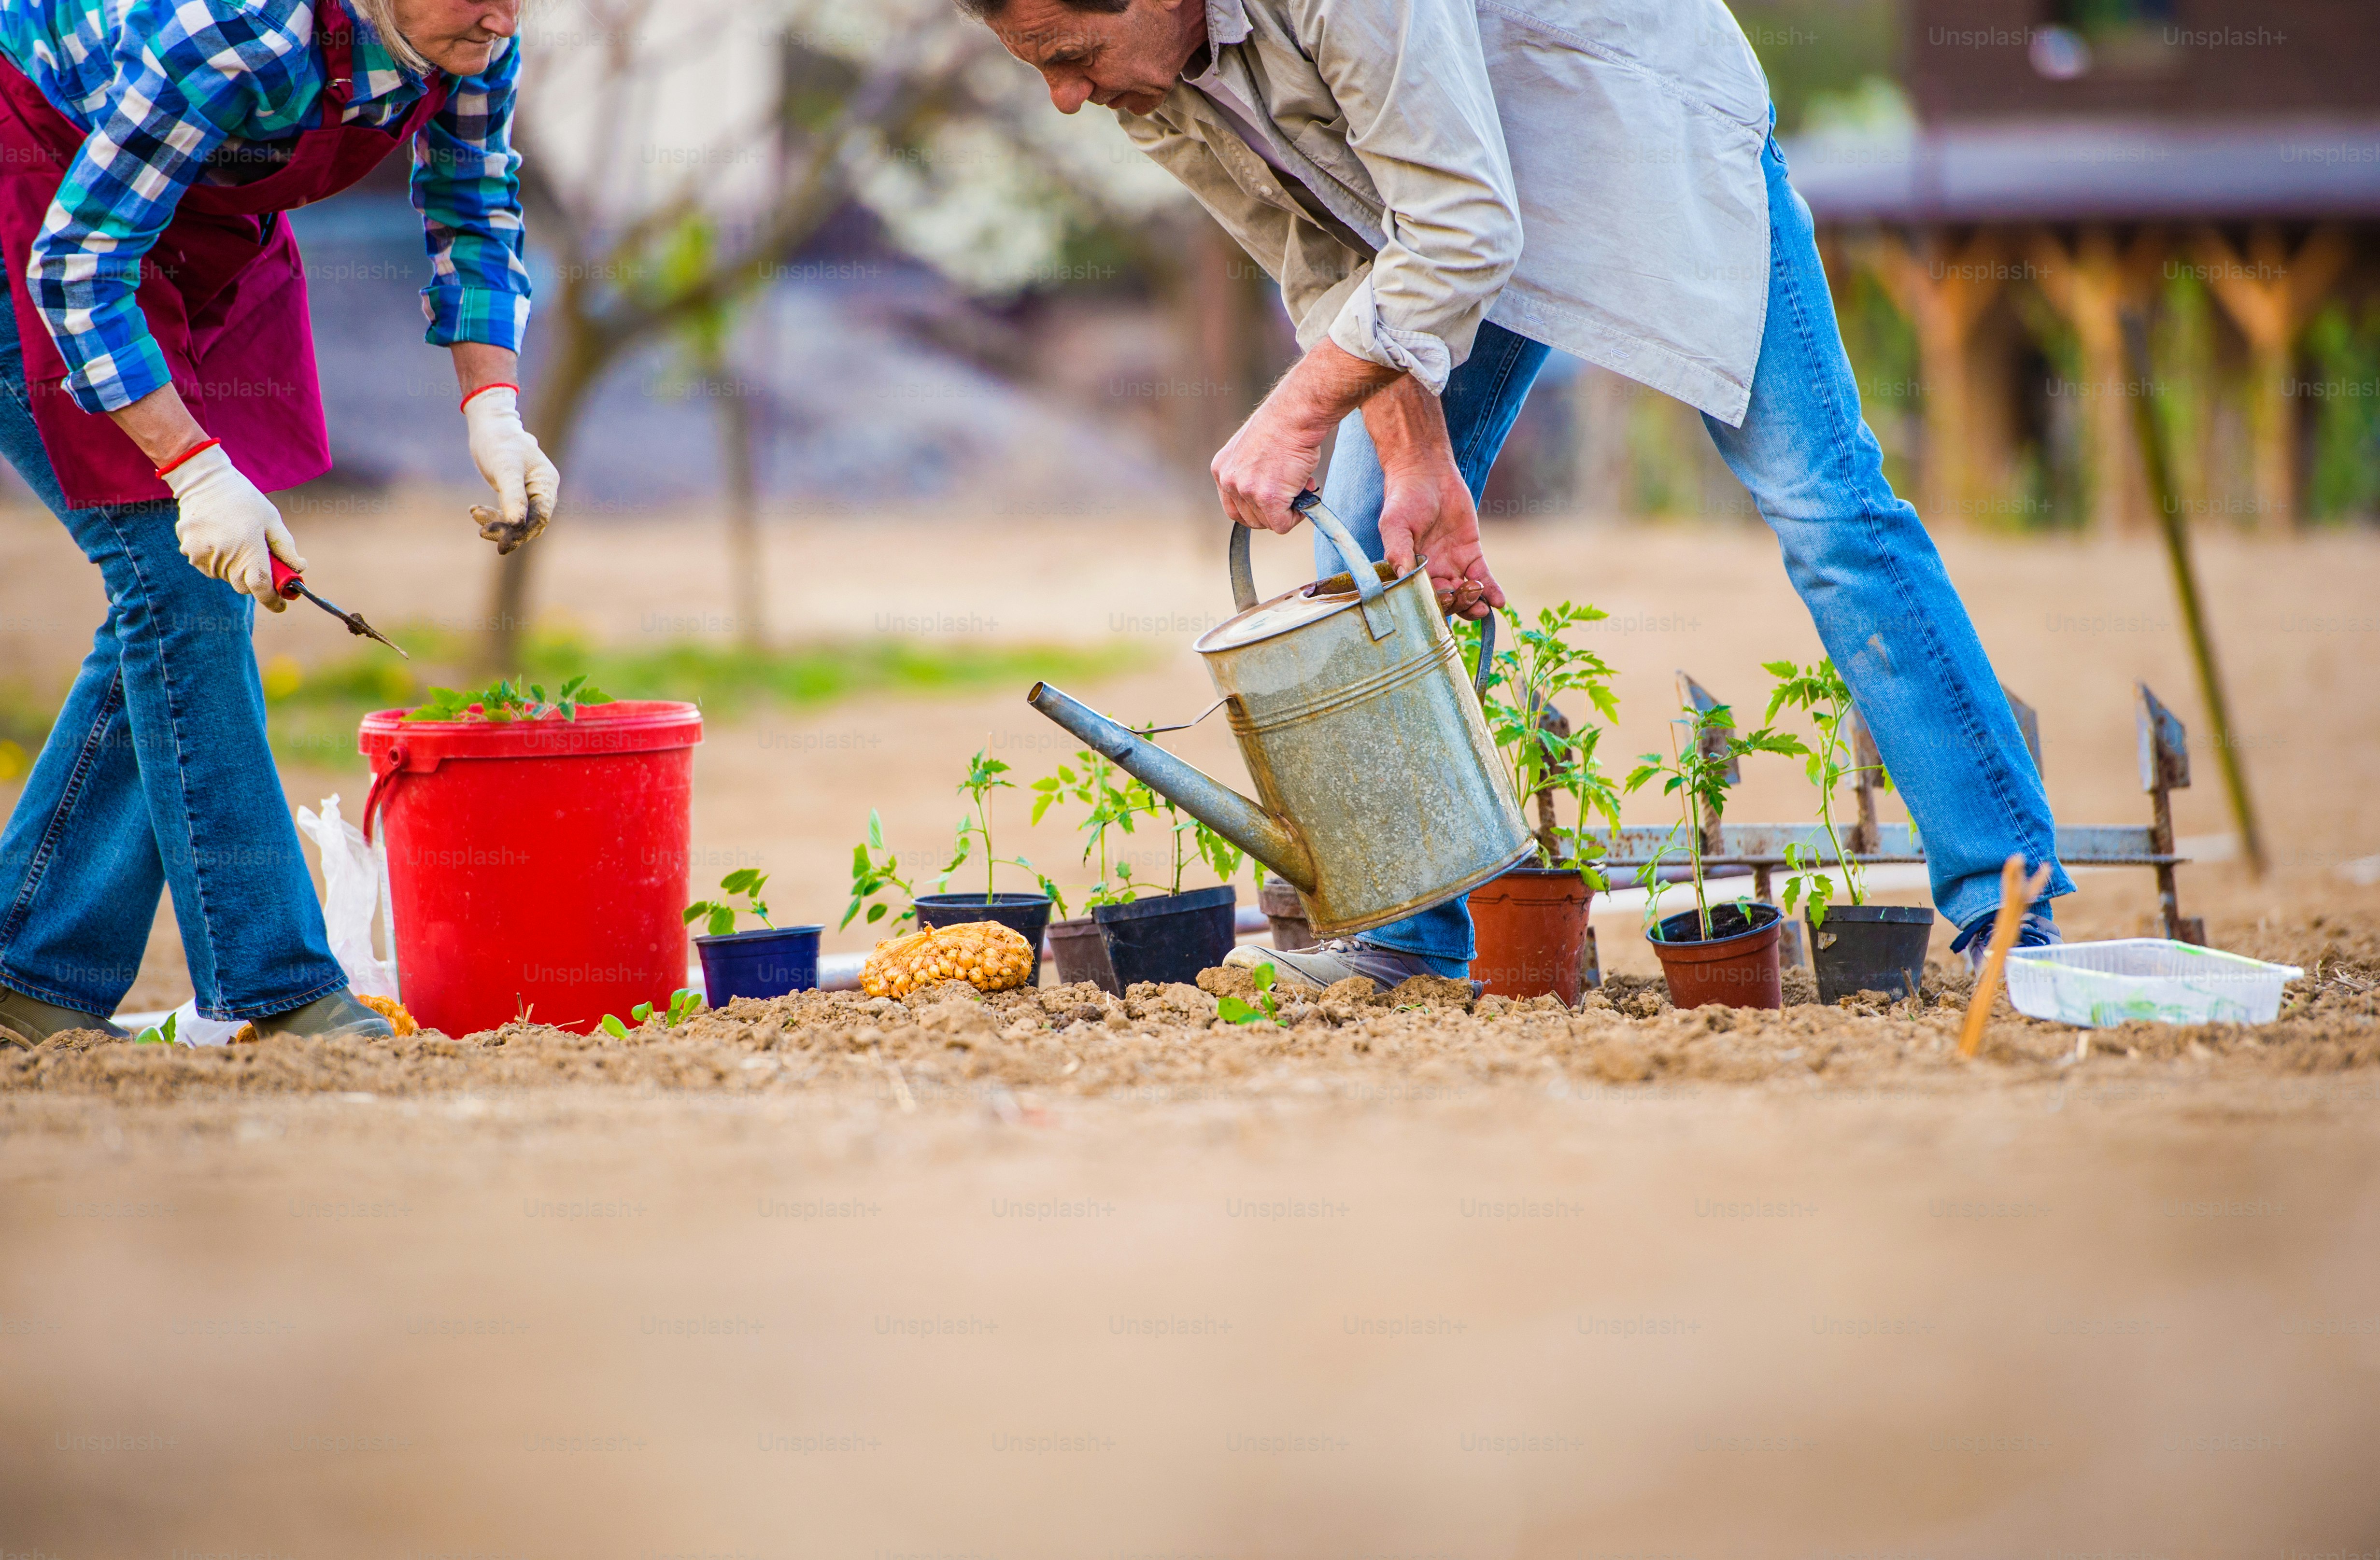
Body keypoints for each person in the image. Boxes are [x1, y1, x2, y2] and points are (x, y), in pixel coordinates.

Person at [965, 0, 2072, 992]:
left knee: (1828, 509)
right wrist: (1413, 466)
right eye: (1041, 71)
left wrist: (1294, 414)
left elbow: (1463, 230)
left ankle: (2005, 910)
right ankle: (1411, 933)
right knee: (1370, 561)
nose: (1066, 97)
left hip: (1634, 136)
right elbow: (1325, 265)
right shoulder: (1153, 87)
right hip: (1445, 226)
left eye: (1068, 55)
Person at [0, 0, 557, 1047]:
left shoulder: (479, 32)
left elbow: (474, 203)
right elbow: (76, 267)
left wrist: (494, 406)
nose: (498, 13)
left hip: (200, 235)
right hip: (40, 213)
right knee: (176, 583)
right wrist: (195, 470)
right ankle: (278, 984)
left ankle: (27, 968)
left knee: (177, 606)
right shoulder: (233, 32)